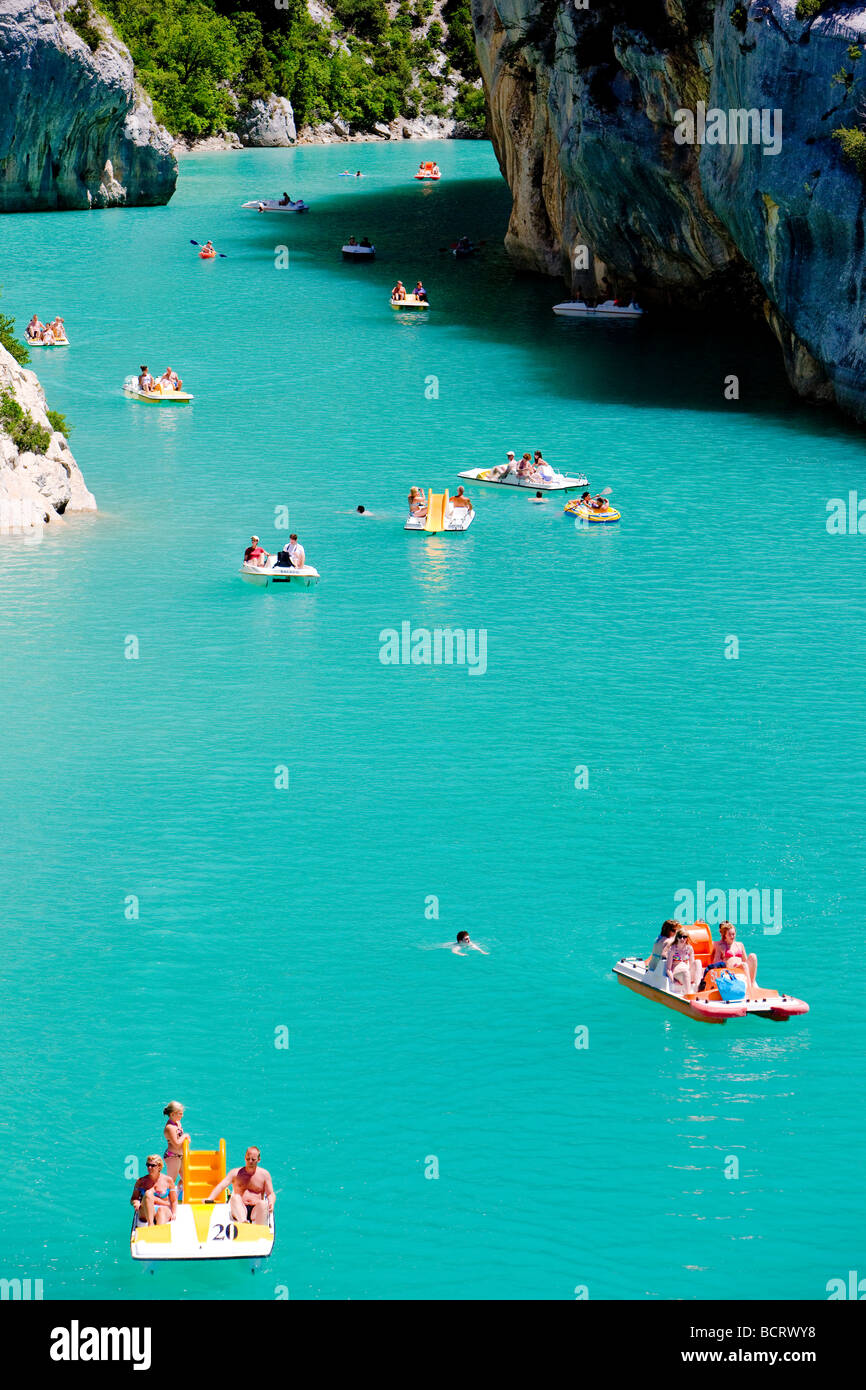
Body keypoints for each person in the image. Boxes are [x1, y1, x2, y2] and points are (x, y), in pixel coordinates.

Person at [206, 1146, 274, 1225]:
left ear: (258, 1160)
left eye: (253, 1159)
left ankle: (260, 1228)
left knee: (263, 1204)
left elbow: (270, 1194)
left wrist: (271, 1202)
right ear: (245, 1158)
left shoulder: (264, 1175)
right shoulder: (235, 1173)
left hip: (256, 1210)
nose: (250, 1162)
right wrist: (210, 1198)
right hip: (240, 1209)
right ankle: (244, 1223)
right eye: (248, 1159)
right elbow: (221, 1186)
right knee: (235, 1197)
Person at [710, 921, 757, 991]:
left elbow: (745, 960)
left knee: (753, 956)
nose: (732, 936)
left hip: (742, 967)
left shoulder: (740, 945)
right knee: (744, 965)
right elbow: (715, 962)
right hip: (731, 969)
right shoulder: (721, 947)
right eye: (730, 934)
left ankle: (752, 983)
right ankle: (749, 990)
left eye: (733, 934)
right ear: (725, 935)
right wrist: (724, 962)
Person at [131, 1156, 177, 1227]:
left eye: (152, 1165)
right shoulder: (141, 1181)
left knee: (161, 1211)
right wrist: (136, 1202)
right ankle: (151, 1224)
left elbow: (174, 1200)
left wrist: (174, 1213)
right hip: (146, 1211)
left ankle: (159, 1233)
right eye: (148, 1165)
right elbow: (134, 1198)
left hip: (163, 1208)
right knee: (148, 1193)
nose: (149, 1168)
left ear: (159, 1166)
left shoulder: (168, 1180)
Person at [162, 1102, 188, 1182]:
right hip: (173, 1157)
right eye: (180, 1114)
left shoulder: (177, 1123)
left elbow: (180, 1136)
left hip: (180, 1156)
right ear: (173, 1114)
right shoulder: (170, 1128)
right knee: (171, 1181)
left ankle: (181, 1191)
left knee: (186, 1178)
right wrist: (185, 1136)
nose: (182, 1116)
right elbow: (176, 1144)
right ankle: (166, 1194)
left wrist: (186, 1139)